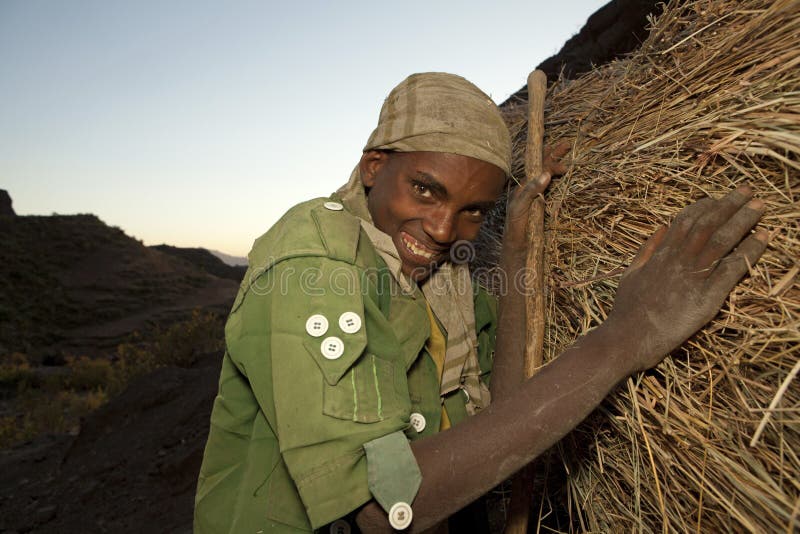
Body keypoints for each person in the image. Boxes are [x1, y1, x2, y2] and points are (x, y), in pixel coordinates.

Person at [194, 73, 767, 533]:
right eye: (425, 188)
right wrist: (627, 336)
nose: (445, 228)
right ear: (375, 168)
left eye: (475, 210)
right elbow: (386, 507)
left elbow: (501, 411)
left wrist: (515, 248)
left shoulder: (442, 275)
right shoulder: (315, 265)